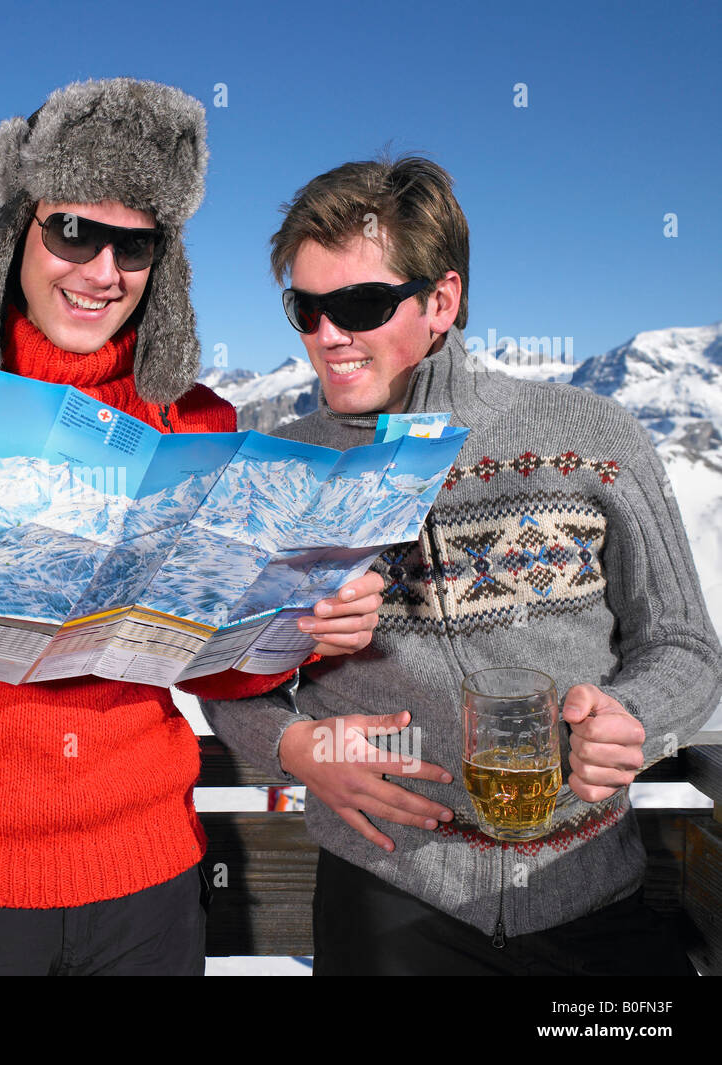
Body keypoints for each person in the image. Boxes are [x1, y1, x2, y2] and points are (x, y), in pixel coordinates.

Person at [0, 77, 384, 976]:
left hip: (144, 886)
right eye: (74, 231)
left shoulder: (199, 422)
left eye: (135, 244)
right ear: (18, 232)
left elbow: (214, 669)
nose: (102, 272)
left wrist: (303, 628)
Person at [201, 155, 722, 975]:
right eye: (306, 307)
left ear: (441, 300)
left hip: (590, 896)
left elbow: (685, 644)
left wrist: (633, 716)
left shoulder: (593, 436)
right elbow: (223, 666)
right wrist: (296, 748)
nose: (328, 334)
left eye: (362, 303)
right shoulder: (279, 468)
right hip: (387, 900)